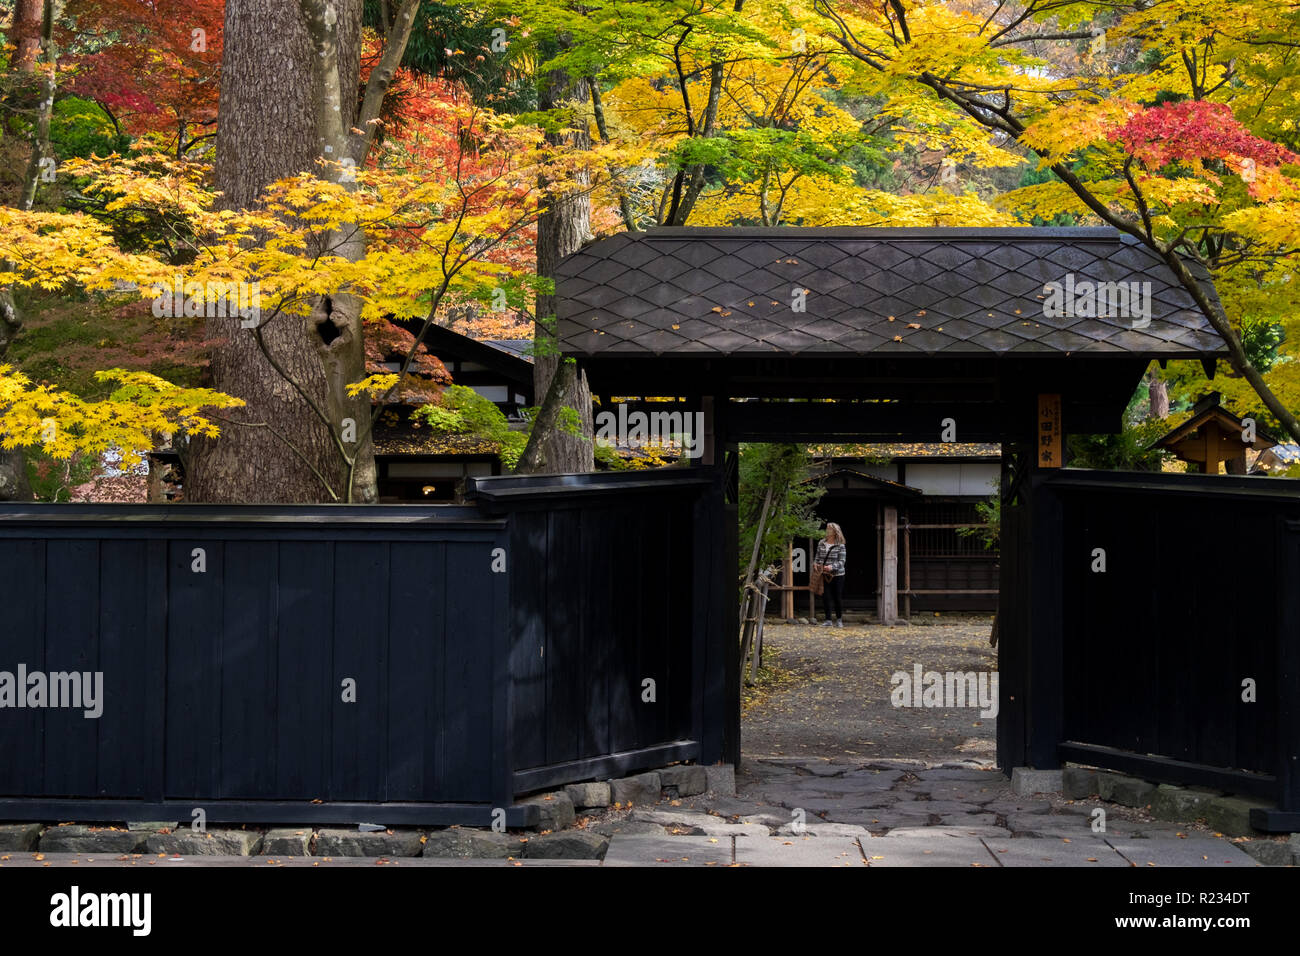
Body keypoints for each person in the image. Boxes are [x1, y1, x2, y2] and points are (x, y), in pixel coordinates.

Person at [814, 522, 846, 627]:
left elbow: (842, 561)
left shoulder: (840, 545)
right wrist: (815, 564)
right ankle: (828, 620)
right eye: (827, 529)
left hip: (837, 575)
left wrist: (832, 567)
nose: (827, 531)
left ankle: (839, 619)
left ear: (835, 532)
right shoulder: (821, 543)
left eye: (829, 529)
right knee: (826, 597)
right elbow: (817, 557)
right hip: (823, 574)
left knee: (837, 597)